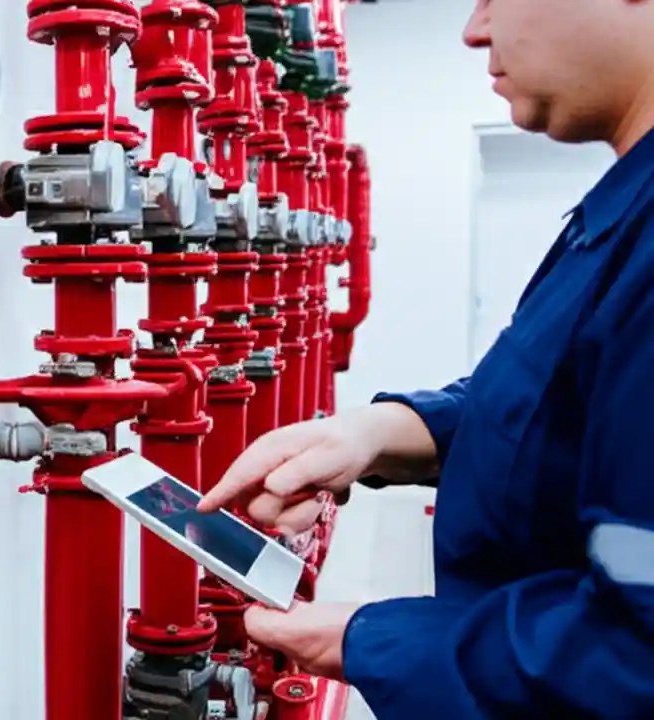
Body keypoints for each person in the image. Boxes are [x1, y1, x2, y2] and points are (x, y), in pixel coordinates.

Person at [196, 0, 654, 716]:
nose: (475, 29)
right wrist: (381, 433)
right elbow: (558, 404)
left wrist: (367, 640)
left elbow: (635, 649)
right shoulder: (625, 212)